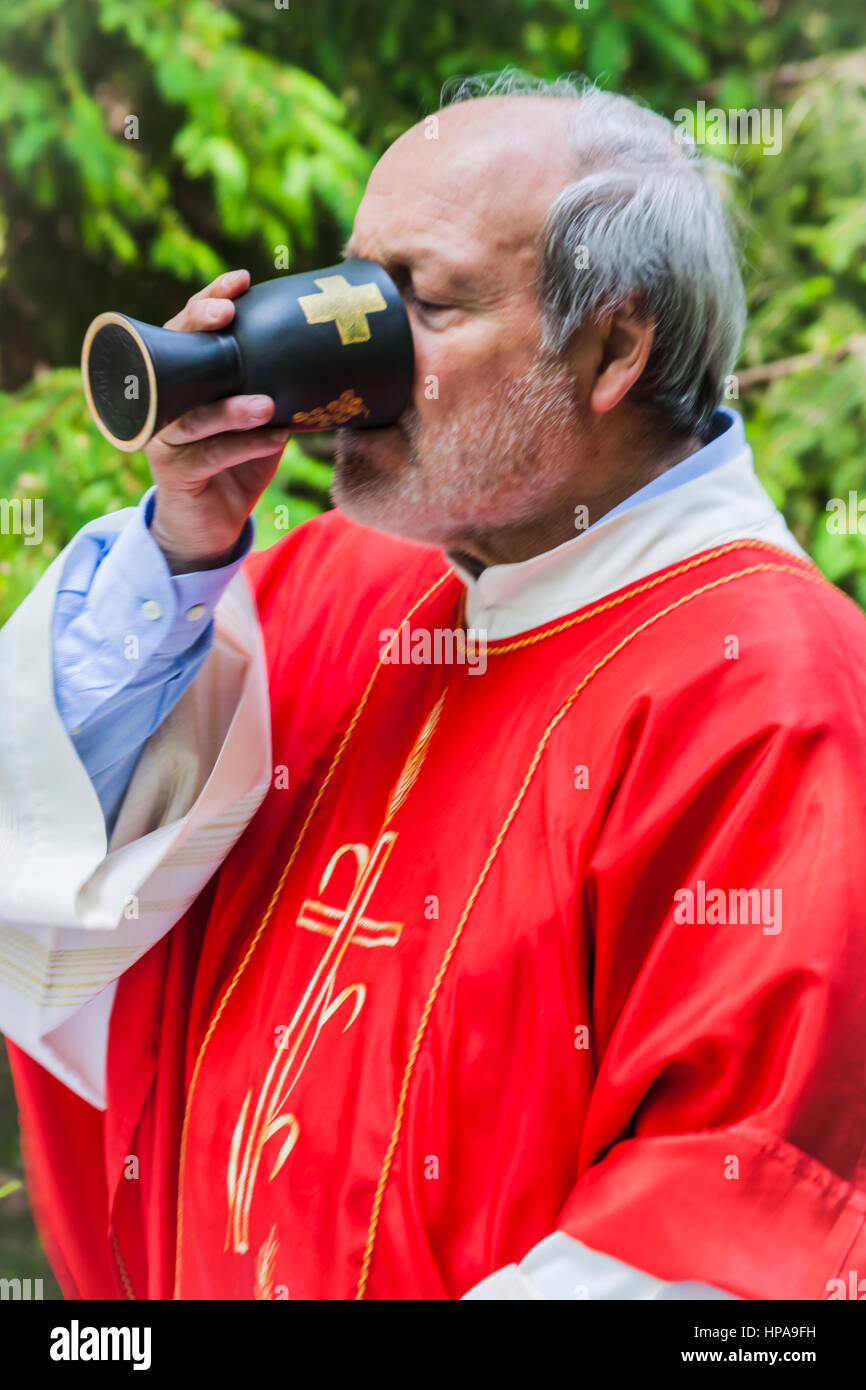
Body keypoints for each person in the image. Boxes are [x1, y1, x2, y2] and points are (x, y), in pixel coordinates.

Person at [2, 73, 865, 1302]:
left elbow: (728, 1208)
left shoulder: (771, 688)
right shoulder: (331, 585)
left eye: (421, 298)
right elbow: (52, 861)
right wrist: (180, 555)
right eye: (353, 282)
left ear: (612, 345)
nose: (351, 341)